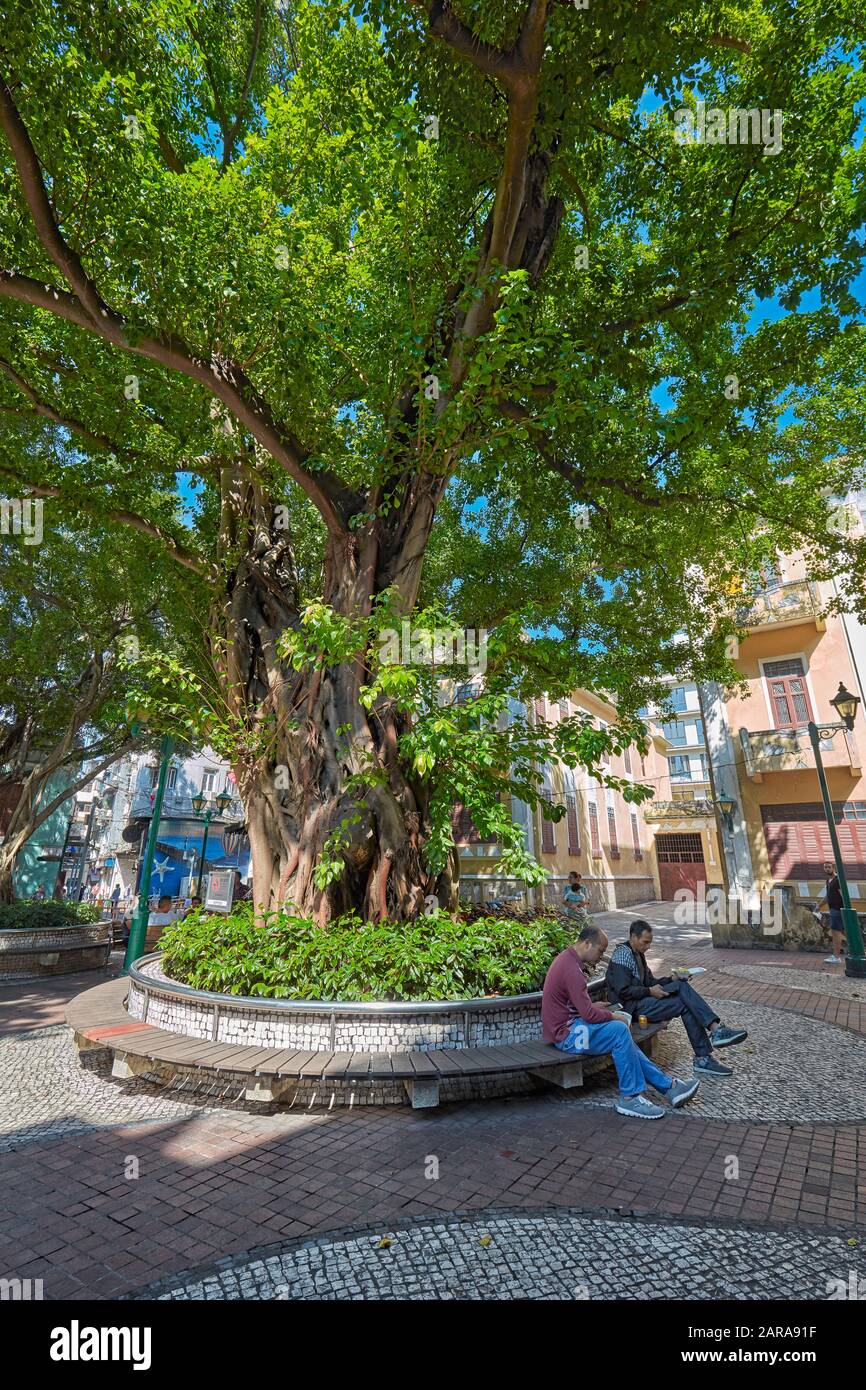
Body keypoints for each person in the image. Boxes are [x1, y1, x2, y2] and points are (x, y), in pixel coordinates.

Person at [541, 922, 700, 1119]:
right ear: (587, 944)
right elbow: (588, 1015)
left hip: (569, 1026)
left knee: (621, 1037)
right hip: (567, 1035)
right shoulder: (572, 969)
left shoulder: (568, 961)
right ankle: (630, 1098)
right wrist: (613, 1015)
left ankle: (669, 1087)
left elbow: (576, 1007)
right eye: (600, 951)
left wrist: (595, 1006)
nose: (600, 957)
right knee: (618, 1029)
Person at [606, 919, 748, 1080]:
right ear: (633, 937)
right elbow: (623, 990)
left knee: (683, 996)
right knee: (682, 990)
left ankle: (704, 1057)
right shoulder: (622, 954)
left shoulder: (638, 954)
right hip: (630, 1008)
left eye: (650, 943)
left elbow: (651, 983)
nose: (648, 946)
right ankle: (715, 1033)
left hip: (641, 1001)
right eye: (645, 942)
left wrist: (672, 979)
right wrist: (649, 991)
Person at [818, 861, 845, 964]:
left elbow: (843, 894)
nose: (827, 869)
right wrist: (819, 906)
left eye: (829, 867)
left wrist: (846, 910)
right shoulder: (829, 881)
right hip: (833, 909)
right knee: (839, 932)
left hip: (838, 909)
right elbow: (827, 897)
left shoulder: (838, 880)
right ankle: (837, 955)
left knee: (836, 932)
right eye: (825, 867)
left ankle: (836, 956)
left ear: (833, 867)